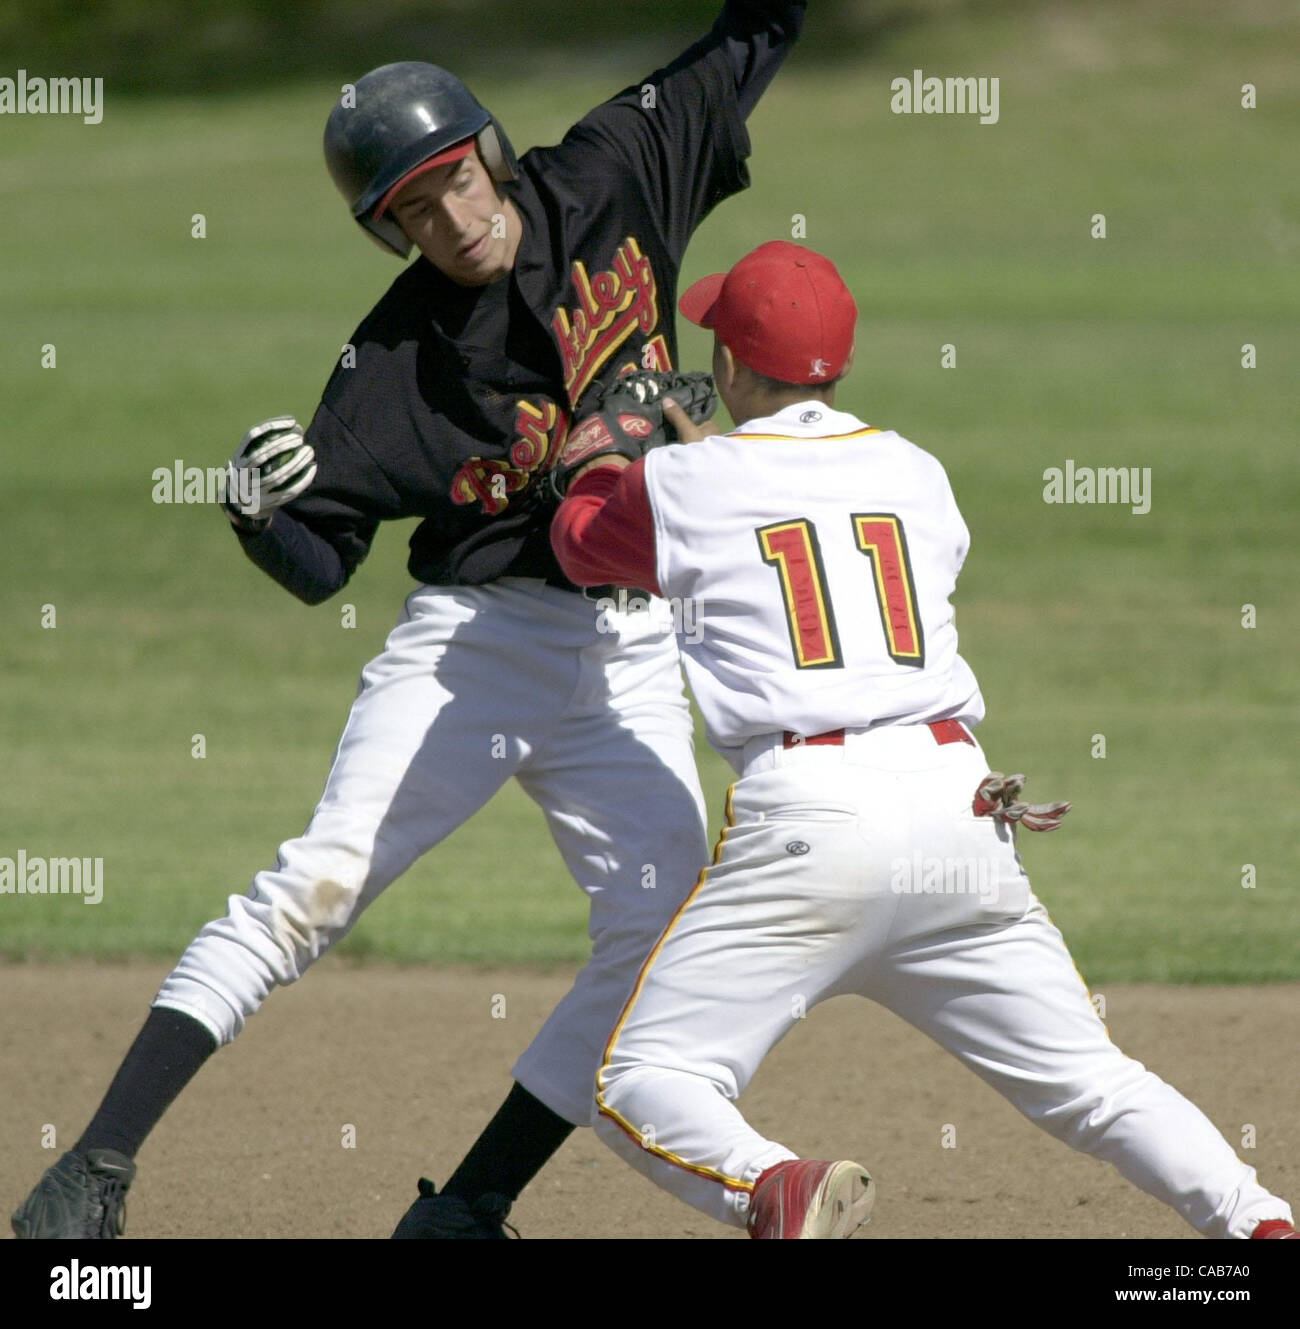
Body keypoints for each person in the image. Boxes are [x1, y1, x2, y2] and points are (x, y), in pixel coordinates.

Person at [11, 2, 811, 1241]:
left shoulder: (615, 166)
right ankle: (93, 1174)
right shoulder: (389, 359)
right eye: (409, 212)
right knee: (315, 887)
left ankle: (471, 1208)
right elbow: (320, 559)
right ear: (383, 229)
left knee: (663, 936)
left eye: (452, 182)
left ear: (490, 151)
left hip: (632, 652)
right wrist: (254, 513)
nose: (449, 220)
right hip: (476, 646)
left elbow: (750, 36)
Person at [548, 239, 1298, 1240]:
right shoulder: (916, 471)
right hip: (958, 811)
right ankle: (1257, 1226)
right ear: (840, 362)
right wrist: (695, 463)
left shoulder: (691, 482)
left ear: (726, 366)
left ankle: (771, 1184)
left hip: (811, 827)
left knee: (646, 1078)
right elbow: (808, 530)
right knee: (1091, 1083)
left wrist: (603, 452)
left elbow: (581, 541)